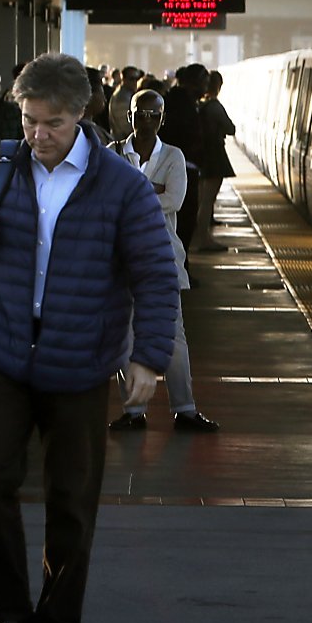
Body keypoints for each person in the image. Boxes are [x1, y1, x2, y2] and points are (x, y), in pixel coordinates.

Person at [0, 52, 179, 623]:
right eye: (28, 121)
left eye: (51, 123)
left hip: (81, 363)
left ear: (81, 115)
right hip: (4, 356)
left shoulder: (121, 185)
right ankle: (9, 612)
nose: (38, 135)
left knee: (71, 499)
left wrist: (149, 359)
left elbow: (156, 275)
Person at [108, 88, 219, 434]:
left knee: (172, 335)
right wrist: (149, 189)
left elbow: (175, 200)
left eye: (154, 115)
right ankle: (134, 410)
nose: (146, 121)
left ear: (163, 118)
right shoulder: (112, 154)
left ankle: (185, 409)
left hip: (162, 257)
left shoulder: (173, 156)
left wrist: (133, 194)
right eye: (140, 114)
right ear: (129, 117)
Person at [160, 64, 208, 250]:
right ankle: (181, 274)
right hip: (183, 168)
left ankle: (182, 272)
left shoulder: (177, 99)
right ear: (194, 83)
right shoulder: (182, 104)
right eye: (203, 83)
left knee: (181, 227)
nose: (205, 88)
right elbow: (183, 137)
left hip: (183, 166)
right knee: (183, 227)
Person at [196, 68, 237, 247]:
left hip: (202, 154)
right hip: (214, 154)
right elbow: (231, 128)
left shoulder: (201, 104)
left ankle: (200, 235)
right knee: (208, 199)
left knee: (202, 198)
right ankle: (203, 238)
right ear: (218, 86)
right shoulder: (215, 106)